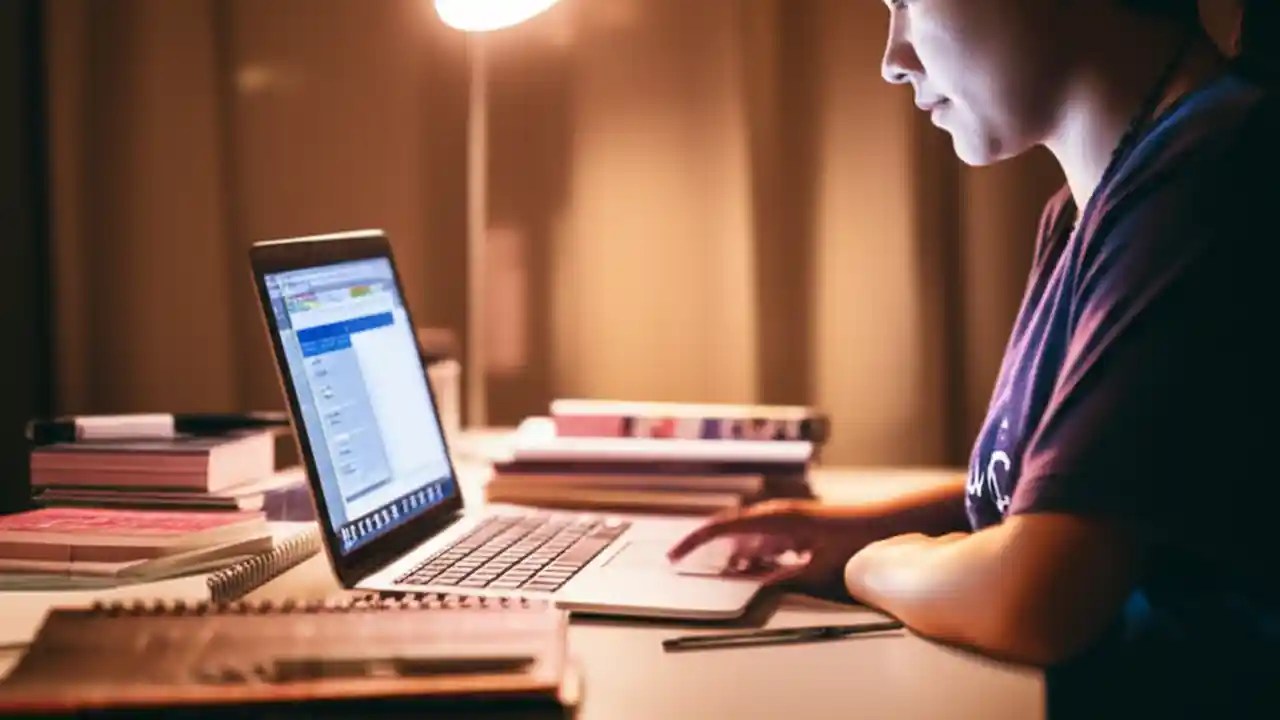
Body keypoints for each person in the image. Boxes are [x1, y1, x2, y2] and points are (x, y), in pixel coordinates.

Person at [668, 0, 1279, 716]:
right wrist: (855, 527)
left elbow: (1036, 597)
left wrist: (873, 564)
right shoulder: (1090, 206)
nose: (893, 58)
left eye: (908, 4)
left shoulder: (1210, 171)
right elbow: (1072, 498)